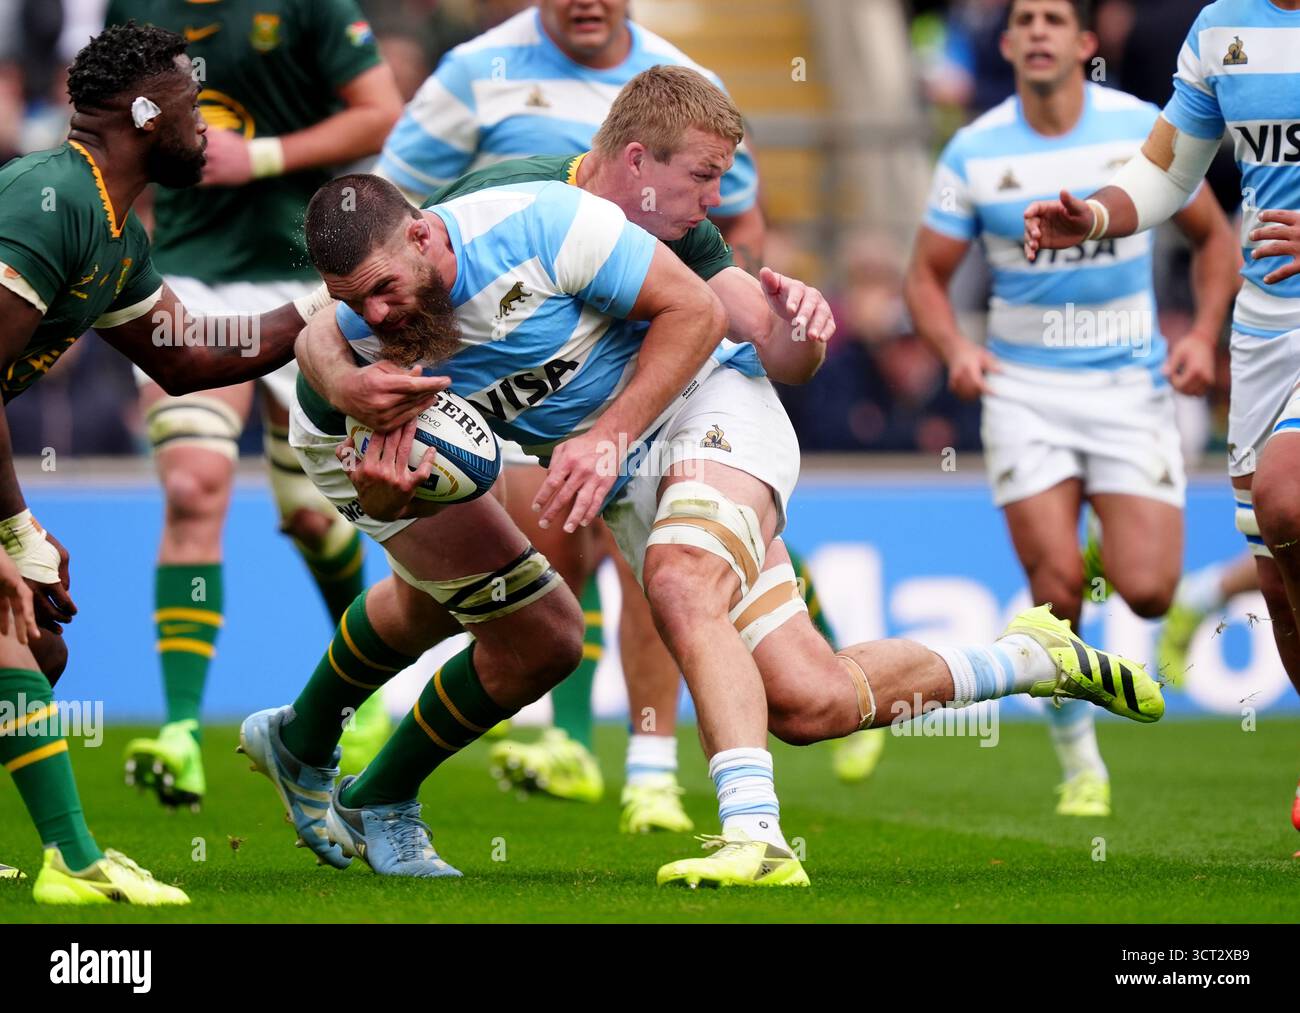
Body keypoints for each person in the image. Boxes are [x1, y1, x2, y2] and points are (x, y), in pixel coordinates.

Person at [269, 66, 1166, 888]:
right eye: (702, 175)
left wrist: (795, 335)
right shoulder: (463, 242)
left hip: (711, 414)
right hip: (627, 464)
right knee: (810, 700)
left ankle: (755, 835)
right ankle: (1026, 656)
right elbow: (312, 323)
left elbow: (727, 318)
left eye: (719, 178)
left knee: (677, 577)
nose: (716, 200)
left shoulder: (604, 227)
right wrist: (355, 400)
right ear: (633, 159)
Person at [371, 0, 771, 826]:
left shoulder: (682, 83)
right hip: (502, 355)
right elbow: (389, 207)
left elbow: (730, 220)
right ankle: (569, 738)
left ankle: (652, 769)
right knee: (552, 557)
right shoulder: (475, 72)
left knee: (655, 568)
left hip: (639, 352)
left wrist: (763, 309)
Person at [0, 22, 329, 902]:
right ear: (145, 113)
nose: (205, 131)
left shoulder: (113, 229)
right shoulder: (48, 201)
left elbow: (187, 355)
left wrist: (323, 309)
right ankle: (71, 860)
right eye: (192, 108)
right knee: (7, 624)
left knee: (39, 641)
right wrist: (10, 525)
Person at [907, 0, 1238, 816]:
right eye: (1025, 19)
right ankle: (1081, 762)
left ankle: (1107, 538)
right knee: (1054, 587)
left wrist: (1201, 334)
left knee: (1148, 589)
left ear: (1085, 42)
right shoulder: (972, 150)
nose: (1040, 30)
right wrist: (957, 350)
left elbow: (1216, 239)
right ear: (1010, 42)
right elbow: (924, 276)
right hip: (1023, 392)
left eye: (1057, 18)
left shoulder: (1140, 131)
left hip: (1129, 388)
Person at [104, 0, 403, 808]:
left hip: (309, 277)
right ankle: (178, 732)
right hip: (190, 277)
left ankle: (363, 693)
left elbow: (381, 112)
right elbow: (104, 128)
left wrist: (260, 155)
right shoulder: (136, 8)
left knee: (313, 516)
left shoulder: (311, 6)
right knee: (193, 485)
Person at [1023, 0, 1300, 837]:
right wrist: (1096, 215)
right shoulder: (1222, 25)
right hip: (1264, 329)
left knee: (1289, 501)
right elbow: (1170, 170)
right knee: (1279, 577)